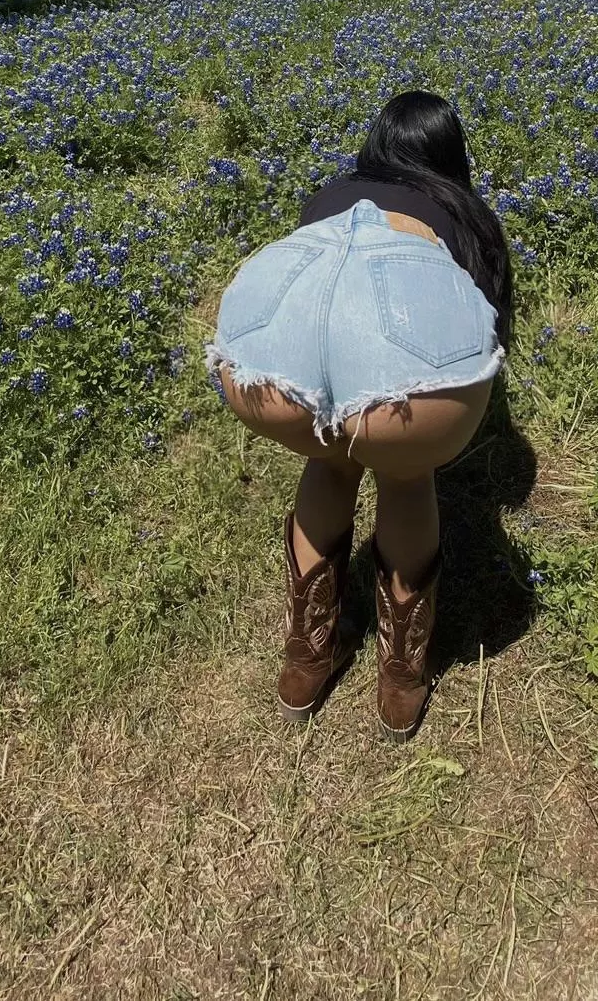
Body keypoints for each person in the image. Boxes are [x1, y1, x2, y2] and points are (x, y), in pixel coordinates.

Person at [206, 90, 513, 741]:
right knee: (405, 476)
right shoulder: (464, 212)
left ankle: (305, 660)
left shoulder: (330, 195)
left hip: (262, 356)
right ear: (451, 156)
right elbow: (488, 327)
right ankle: (401, 680)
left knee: (329, 459)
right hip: (402, 373)